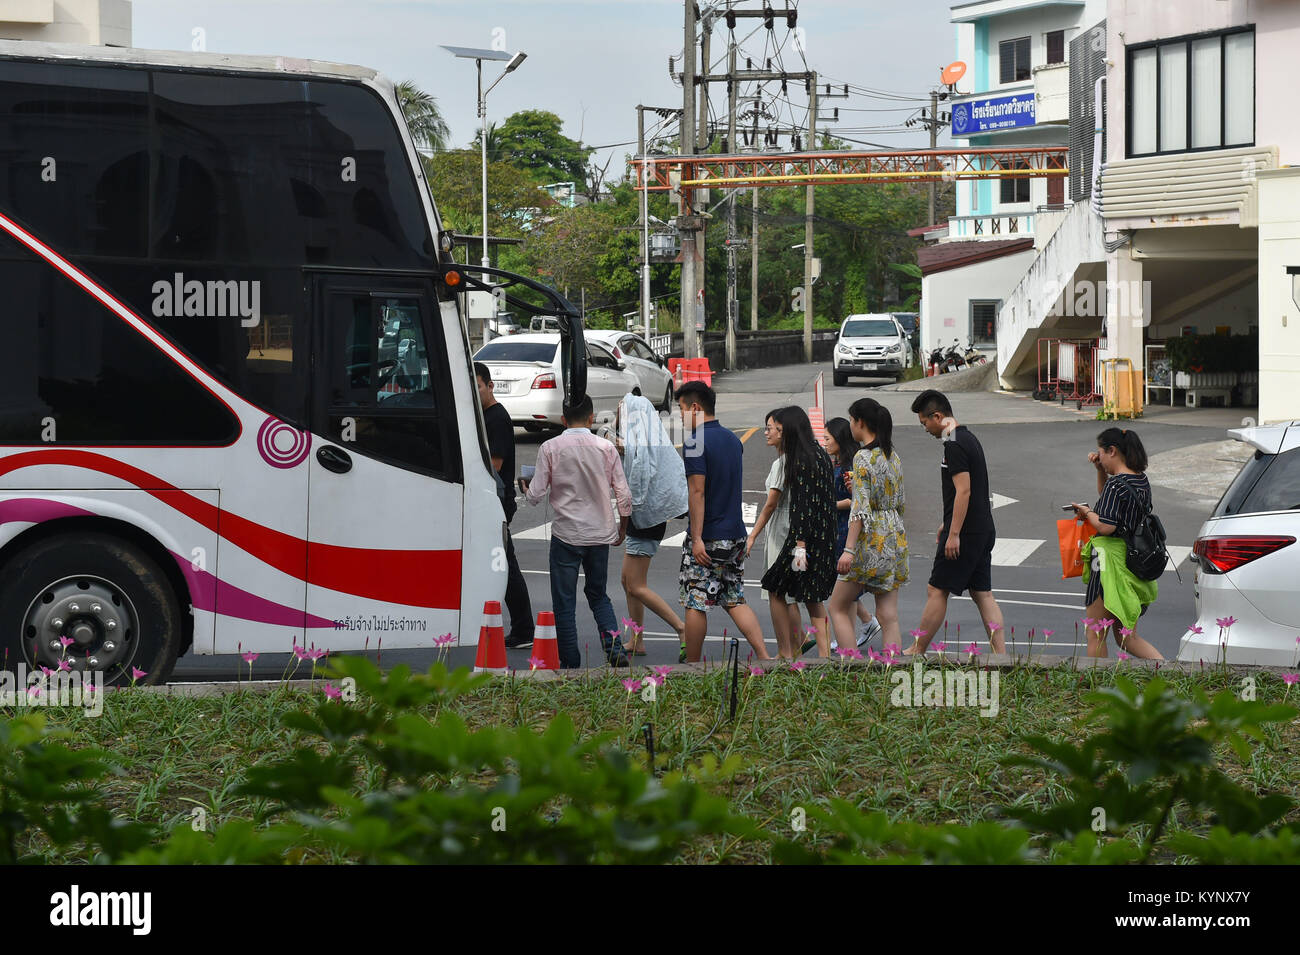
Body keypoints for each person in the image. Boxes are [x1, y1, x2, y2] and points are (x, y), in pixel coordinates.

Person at [520, 393, 632, 668]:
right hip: (599, 535)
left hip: (566, 536)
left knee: (564, 603)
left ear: (562, 419)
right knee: (598, 594)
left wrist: (525, 487)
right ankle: (615, 650)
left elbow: (535, 495)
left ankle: (570, 662)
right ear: (592, 418)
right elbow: (624, 495)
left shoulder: (550, 448)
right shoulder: (606, 448)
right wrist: (622, 528)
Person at [904, 389, 1006, 656]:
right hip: (983, 527)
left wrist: (954, 533)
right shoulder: (968, 437)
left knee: (936, 589)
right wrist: (946, 522)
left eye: (925, 422)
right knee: (982, 593)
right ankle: (1001, 655)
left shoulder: (954, 444)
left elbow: (964, 490)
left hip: (967, 532)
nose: (925, 429)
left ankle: (917, 649)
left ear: (937, 416)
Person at [676, 380, 771, 662]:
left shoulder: (694, 441)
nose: (680, 417)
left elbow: (697, 491)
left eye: (681, 410)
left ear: (695, 408)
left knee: (696, 599)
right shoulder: (732, 439)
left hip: (710, 536)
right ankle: (766, 657)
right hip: (736, 534)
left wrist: (696, 539)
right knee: (734, 597)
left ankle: (692, 665)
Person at [747, 406, 837, 659]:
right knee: (811, 597)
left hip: (799, 539)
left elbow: (802, 506)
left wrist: (799, 546)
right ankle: (824, 658)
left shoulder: (797, 461)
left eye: (776, 428)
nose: (770, 432)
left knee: (776, 588)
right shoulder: (819, 455)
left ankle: (786, 653)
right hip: (821, 538)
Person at [1070, 427, 1163, 660]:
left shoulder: (1116, 485)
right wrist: (1100, 470)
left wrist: (1087, 512)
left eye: (1100, 453)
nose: (1098, 456)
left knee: (1095, 632)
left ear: (1112, 451)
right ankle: (1167, 671)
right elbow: (1109, 500)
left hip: (1107, 565)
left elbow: (1106, 525)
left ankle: (1097, 688)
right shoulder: (1140, 480)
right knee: (1126, 637)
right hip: (1131, 564)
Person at [829, 398, 908, 654]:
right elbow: (900, 501)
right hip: (894, 536)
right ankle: (892, 670)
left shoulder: (862, 457)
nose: (850, 425)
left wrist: (849, 549)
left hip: (871, 540)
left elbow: (859, 509)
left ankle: (850, 668)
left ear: (860, 422)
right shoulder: (892, 454)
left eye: (851, 420)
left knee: (838, 606)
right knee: (888, 614)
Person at [616, 392, 689, 656]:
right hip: (645, 513)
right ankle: (637, 640)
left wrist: (626, 511)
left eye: (621, 411)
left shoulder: (643, 449)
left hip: (646, 514)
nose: (617, 415)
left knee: (635, 584)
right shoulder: (644, 442)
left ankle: (681, 628)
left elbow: (639, 475)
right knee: (627, 580)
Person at [475, 363, 535, 649]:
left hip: (499, 501)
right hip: (493, 499)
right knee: (501, 563)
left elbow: (494, 465)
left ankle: (524, 629)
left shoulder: (496, 418)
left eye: (478, 387)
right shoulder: (482, 416)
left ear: (490, 386)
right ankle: (520, 626)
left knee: (506, 564)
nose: (475, 393)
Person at [824, 416, 882, 649]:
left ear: (840, 439)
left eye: (827, 438)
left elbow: (856, 500)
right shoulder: (839, 462)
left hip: (847, 529)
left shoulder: (851, 465)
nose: (824, 442)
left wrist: (829, 505)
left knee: (842, 589)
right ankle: (851, 633)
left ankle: (856, 633)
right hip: (838, 529)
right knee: (843, 591)